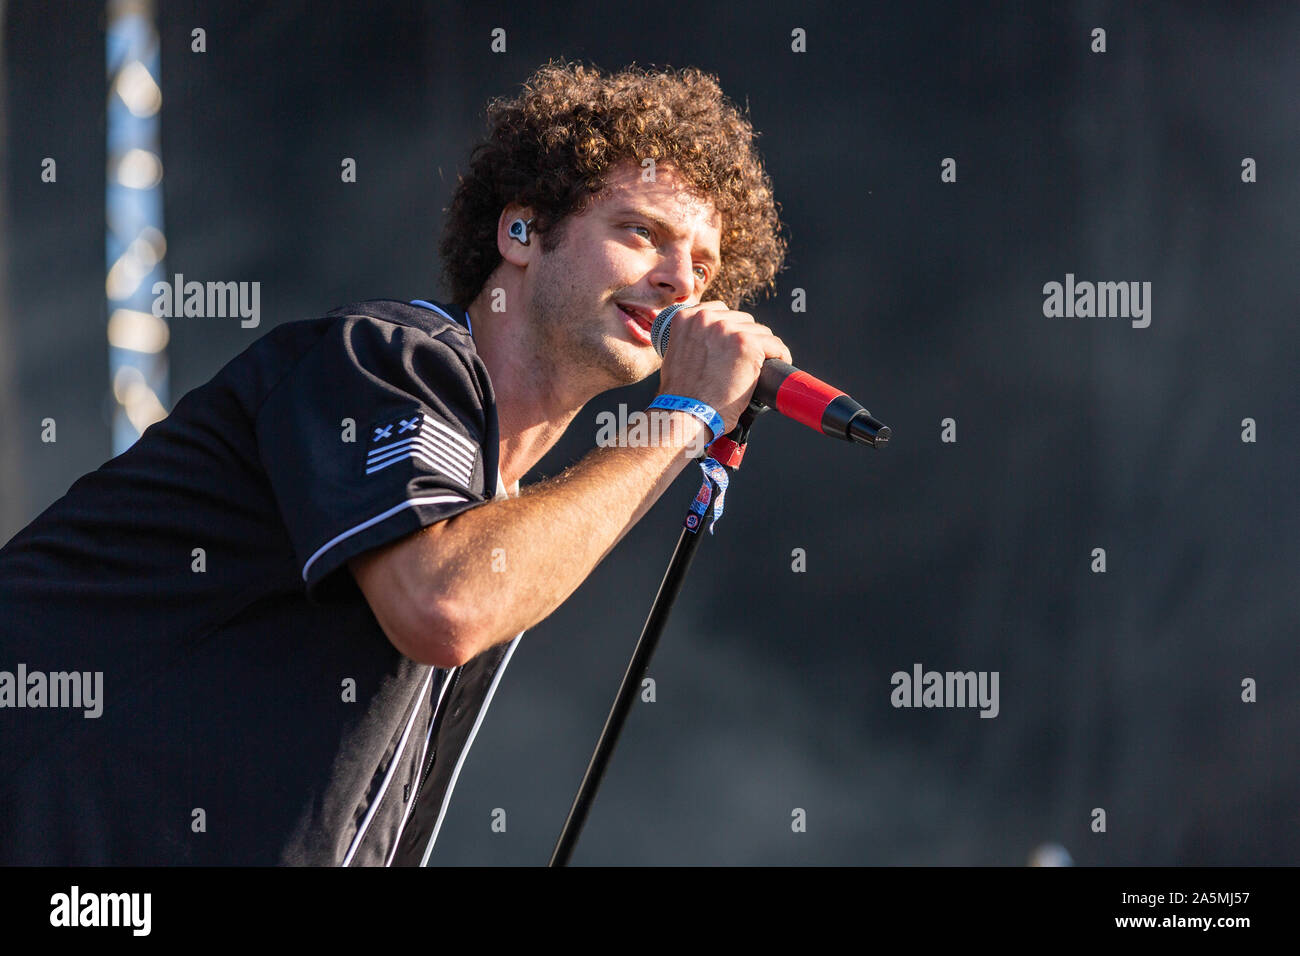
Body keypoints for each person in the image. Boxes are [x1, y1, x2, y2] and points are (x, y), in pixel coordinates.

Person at [0, 60, 791, 865]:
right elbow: (443, 606)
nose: (680, 281)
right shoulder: (388, 359)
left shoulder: (496, 501)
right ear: (520, 233)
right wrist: (683, 417)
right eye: (641, 232)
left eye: (705, 265)